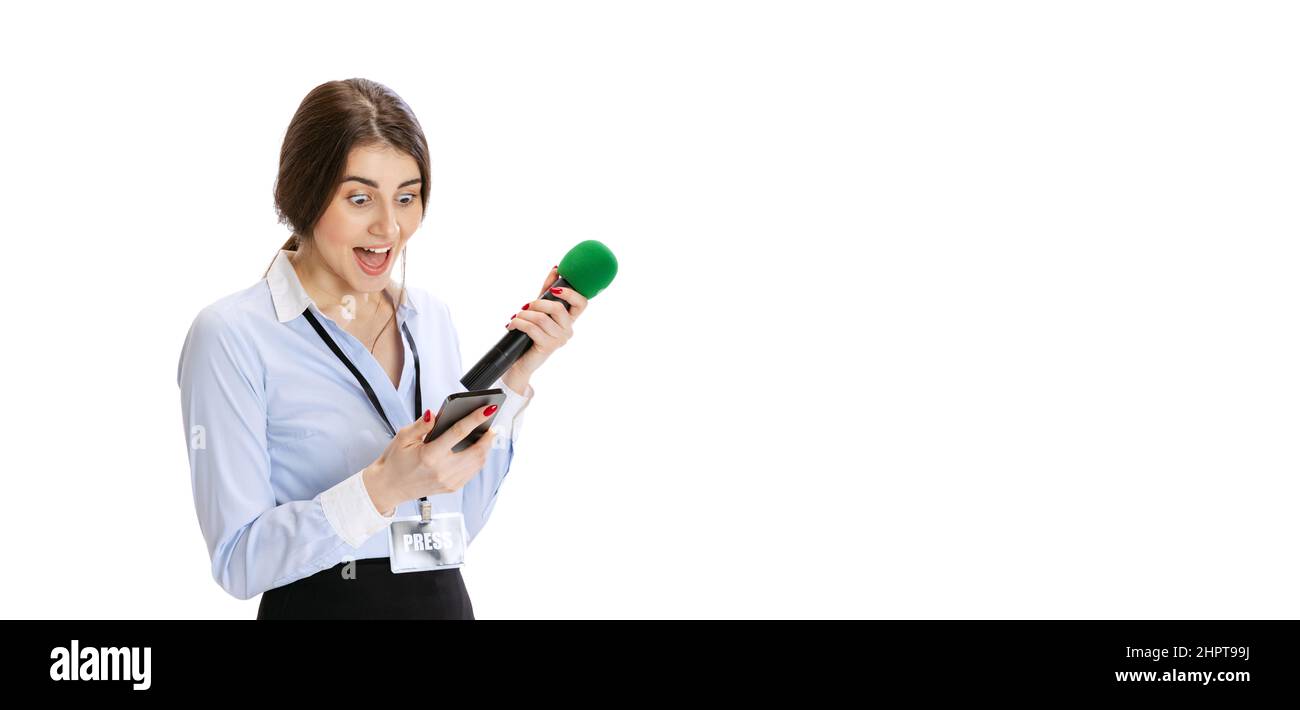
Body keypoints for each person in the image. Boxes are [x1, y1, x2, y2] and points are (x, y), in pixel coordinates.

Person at [176, 78, 588, 619]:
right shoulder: (233, 335)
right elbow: (238, 562)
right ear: (305, 193)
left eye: (407, 197)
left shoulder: (431, 319)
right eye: (360, 197)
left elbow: (457, 519)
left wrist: (513, 380)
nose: (388, 227)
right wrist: (381, 488)